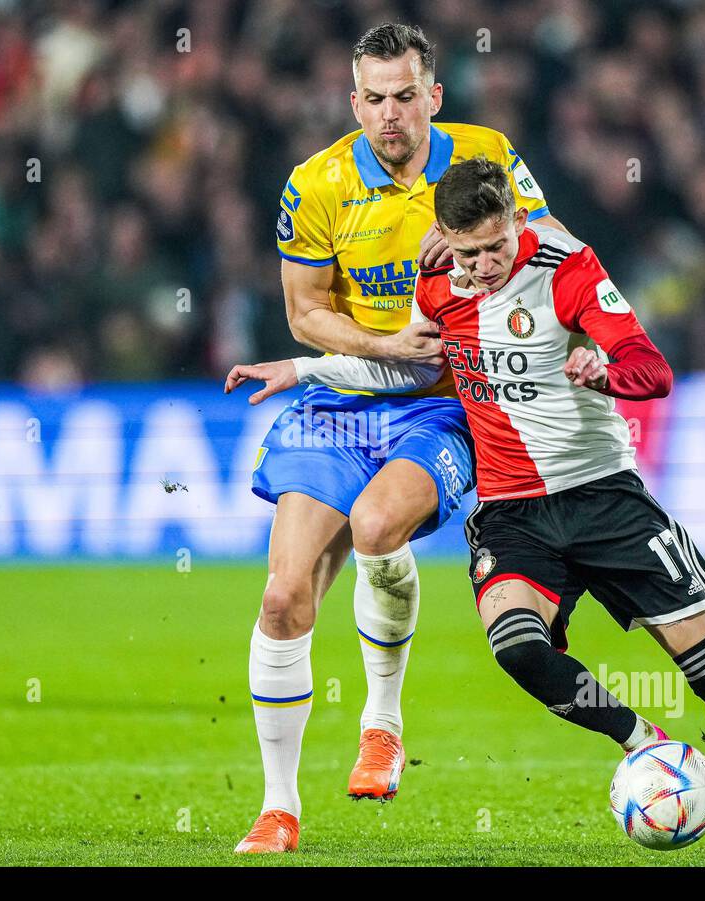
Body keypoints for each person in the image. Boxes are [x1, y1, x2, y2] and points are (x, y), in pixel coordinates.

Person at [227, 157, 705, 852]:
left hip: (605, 498)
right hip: (514, 513)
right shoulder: (438, 281)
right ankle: (640, 739)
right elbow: (415, 364)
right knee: (516, 647)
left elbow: (652, 368)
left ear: (517, 219)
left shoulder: (570, 269)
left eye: (495, 247)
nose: (482, 265)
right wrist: (302, 368)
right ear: (444, 236)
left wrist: (604, 371)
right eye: (469, 251)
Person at [232, 23, 555, 853]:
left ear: (432, 97)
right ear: (353, 101)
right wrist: (381, 345)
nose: (389, 115)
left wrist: (501, 273)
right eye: (373, 99)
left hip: (444, 404)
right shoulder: (318, 182)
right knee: (281, 595)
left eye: (405, 96)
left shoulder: (484, 158)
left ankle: (382, 720)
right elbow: (304, 312)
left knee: (378, 525)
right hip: (345, 396)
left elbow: (547, 255)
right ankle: (278, 808)